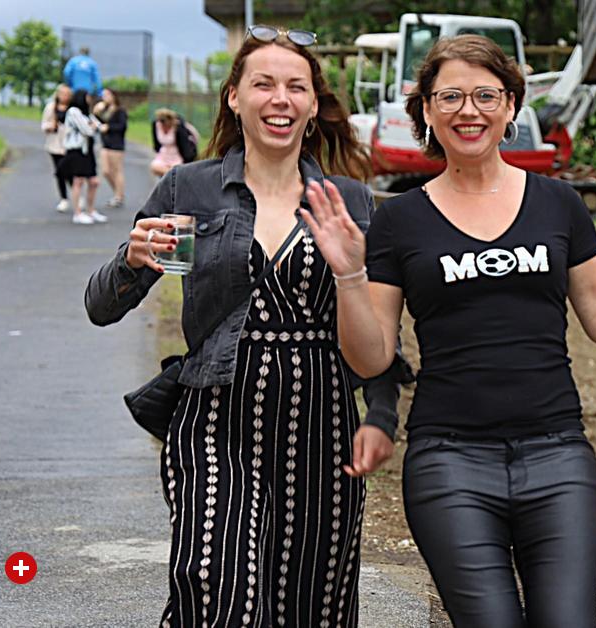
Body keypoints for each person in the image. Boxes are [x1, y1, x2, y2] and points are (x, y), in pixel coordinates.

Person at [301, 34, 596, 627]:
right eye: (450, 96)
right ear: (426, 110)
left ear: (511, 105)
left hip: (558, 455)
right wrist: (350, 274)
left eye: (486, 95)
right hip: (449, 461)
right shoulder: (399, 219)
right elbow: (374, 357)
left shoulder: (560, 204)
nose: (468, 110)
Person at [84, 25, 406, 627]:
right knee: (213, 587)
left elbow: (383, 338)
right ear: (234, 96)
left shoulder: (350, 201)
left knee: (314, 599)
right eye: (263, 84)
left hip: (323, 426)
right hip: (215, 420)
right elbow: (102, 307)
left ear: (313, 105)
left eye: (295, 87)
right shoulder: (190, 188)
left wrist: (380, 416)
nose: (279, 98)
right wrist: (128, 261)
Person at [60, 89, 107, 225]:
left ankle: (90, 210)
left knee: (94, 182)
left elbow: (98, 125)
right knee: (78, 181)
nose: (89, 99)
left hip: (87, 151)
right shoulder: (73, 111)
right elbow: (87, 129)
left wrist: (94, 126)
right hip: (77, 151)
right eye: (87, 97)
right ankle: (78, 213)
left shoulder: (86, 113)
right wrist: (93, 127)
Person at [41, 84, 74, 212]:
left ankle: (75, 192)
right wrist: (51, 126)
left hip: (69, 145)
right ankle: (64, 198)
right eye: (62, 94)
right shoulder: (51, 107)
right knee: (59, 172)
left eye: (67, 94)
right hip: (54, 145)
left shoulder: (73, 109)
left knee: (70, 171)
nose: (65, 97)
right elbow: (44, 124)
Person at [93, 88, 128, 208]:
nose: (105, 97)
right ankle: (117, 192)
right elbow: (98, 122)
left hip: (116, 144)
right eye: (103, 95)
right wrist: (96, 112)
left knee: (116, 170)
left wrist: (109, 127)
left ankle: (119, 196)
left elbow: (122, 126)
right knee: (106, 171)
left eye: (108, 94)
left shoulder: (120, 111)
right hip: (105, 143)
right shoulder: (104, 110)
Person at [149, 108, 198, 177]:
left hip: (177, 154)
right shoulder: (156, 125)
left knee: (176, 170)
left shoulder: (178, 127)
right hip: (164, 154)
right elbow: (156, 145)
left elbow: (185, 147)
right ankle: (168, 177)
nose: (164, 127)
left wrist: (188, 160)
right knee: (155, 167)